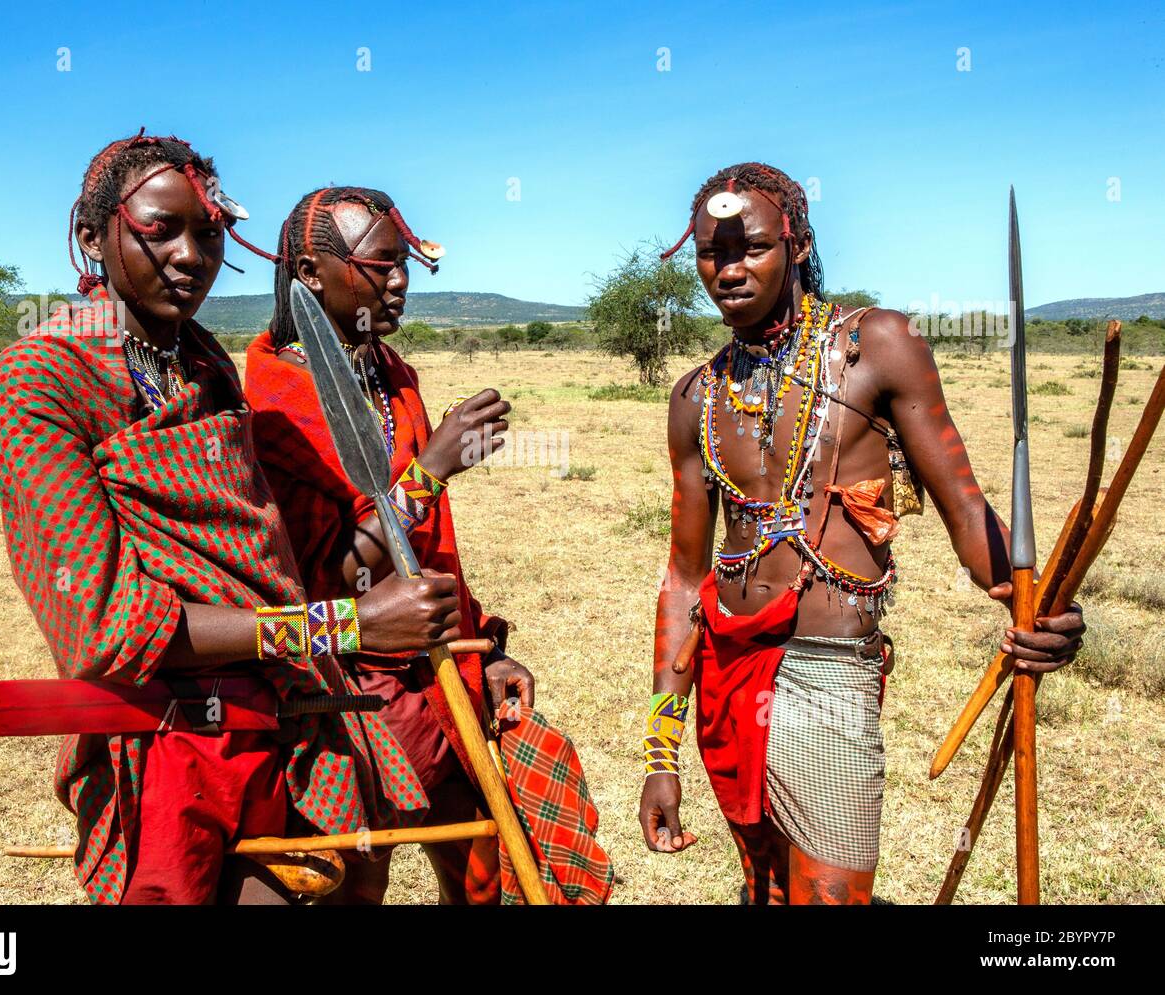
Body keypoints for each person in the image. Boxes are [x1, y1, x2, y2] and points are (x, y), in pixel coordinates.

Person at [0, 134, 462, 905]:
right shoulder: (44, 371)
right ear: (90, 234)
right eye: (160, 228)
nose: (190, 256)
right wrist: (341, 627)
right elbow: (106, 630)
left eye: (208, 233)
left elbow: (262, 558)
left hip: (280, 722)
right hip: (164, 742)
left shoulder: (206, 364)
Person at [637, 162, 1086, 904]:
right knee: (767, 889)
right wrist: (660, 750)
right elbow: (685, 578)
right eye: (713, 255)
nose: (730, 269)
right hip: (727, 670)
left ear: (798, 243)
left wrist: (1041, 602)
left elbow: (968, 513)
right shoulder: (697, 395)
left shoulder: (875, 344)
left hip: (830, 671)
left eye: (751, 247)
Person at [246, 186, 613, 904]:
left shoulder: (391, 377)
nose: (399, 280)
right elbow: (333, 576)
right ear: (311, 272)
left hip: (443, 669)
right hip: (349, 689)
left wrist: (485, 644)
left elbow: (431, 552)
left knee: (481, 867)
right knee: (359, 873)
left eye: (404, 263)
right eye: (379, 264)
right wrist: (430, 470)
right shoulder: (275, 404)